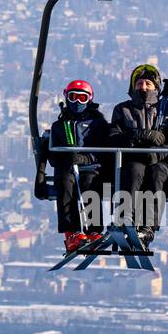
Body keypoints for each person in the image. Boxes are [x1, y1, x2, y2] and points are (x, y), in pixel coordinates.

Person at [106, 63, 168, 244]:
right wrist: (141, 135)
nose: (143, 87)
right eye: (139, 83)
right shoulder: (123, 109)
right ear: (133, 86)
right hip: (132, 158)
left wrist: (158, 153)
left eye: (148, 84)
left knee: (156, 174)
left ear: (155, 87)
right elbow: (114, 137)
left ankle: (147, 226)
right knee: (134, 171)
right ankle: (126, 219)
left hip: (161, 161)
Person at [36, 80, 111, 253]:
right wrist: (65, 158)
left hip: (92, 167)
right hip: (68, 168)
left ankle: (94, 230)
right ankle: (72, 232)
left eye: (82, 98)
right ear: (66, 97)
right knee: (64, 183)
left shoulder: (98, 124)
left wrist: (85, 158)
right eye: (73, 97)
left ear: (89, 100)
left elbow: (104, 150)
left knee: (90, 186)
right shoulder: (59, 126)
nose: (77, 102)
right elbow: (53, 157)